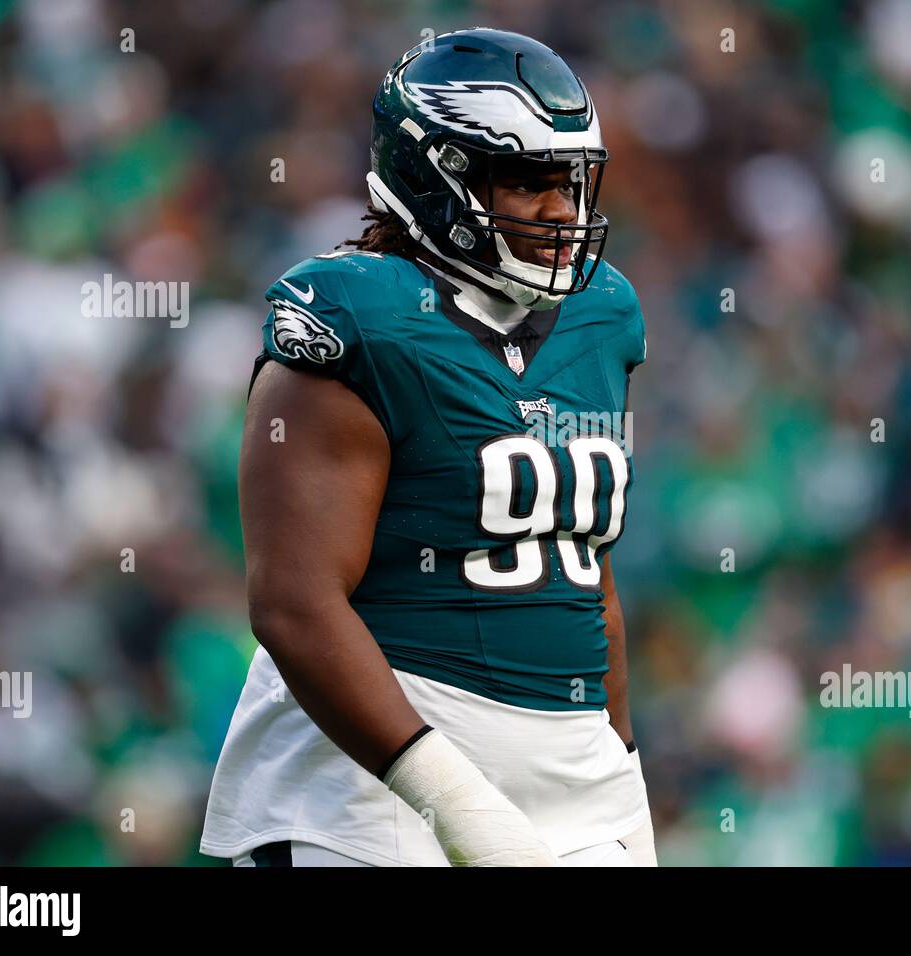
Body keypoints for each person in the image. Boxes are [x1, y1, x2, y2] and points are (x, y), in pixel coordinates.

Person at [200, 28, 655, 867]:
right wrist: (455, 802)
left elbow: (585, 566)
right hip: (371, 786)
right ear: (437, 175)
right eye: (530, 181)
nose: (565, 211)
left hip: (576, 775)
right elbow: (294, 605)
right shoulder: (355, 319)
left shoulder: (602, 315)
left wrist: (621, 765)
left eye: (574, 182)